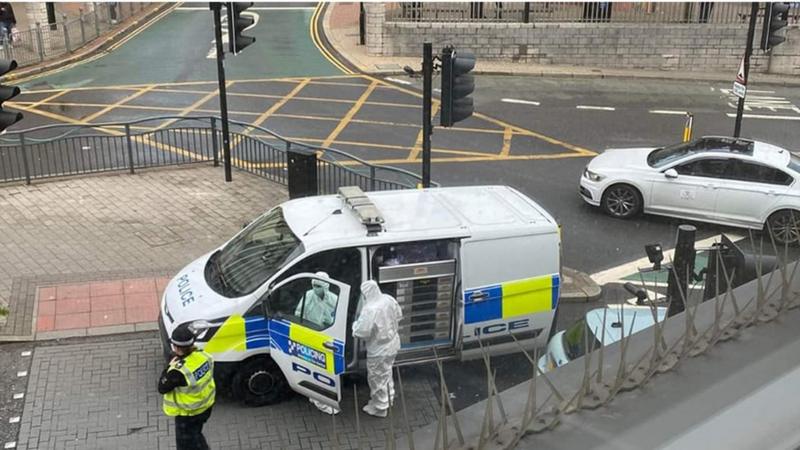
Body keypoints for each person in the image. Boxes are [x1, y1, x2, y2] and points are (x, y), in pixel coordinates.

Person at [158, 324, 216, 450]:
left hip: (189, 414)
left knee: (185, 444)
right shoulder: (203, 356)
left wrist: (168, 367)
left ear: (175, 347)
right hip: (205, 407)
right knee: (196, 435)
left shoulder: (178, 371)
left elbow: (162, 388)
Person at [352, 280, 403, 418]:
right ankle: (388, 398)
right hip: (392, 344)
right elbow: (399, 315)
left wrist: (354, 325)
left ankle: (380, 408)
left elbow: (362, 332)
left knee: (377, 378)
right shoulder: (388, 299)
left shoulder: (370, 309)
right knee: (386, 373)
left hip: (379, 350)